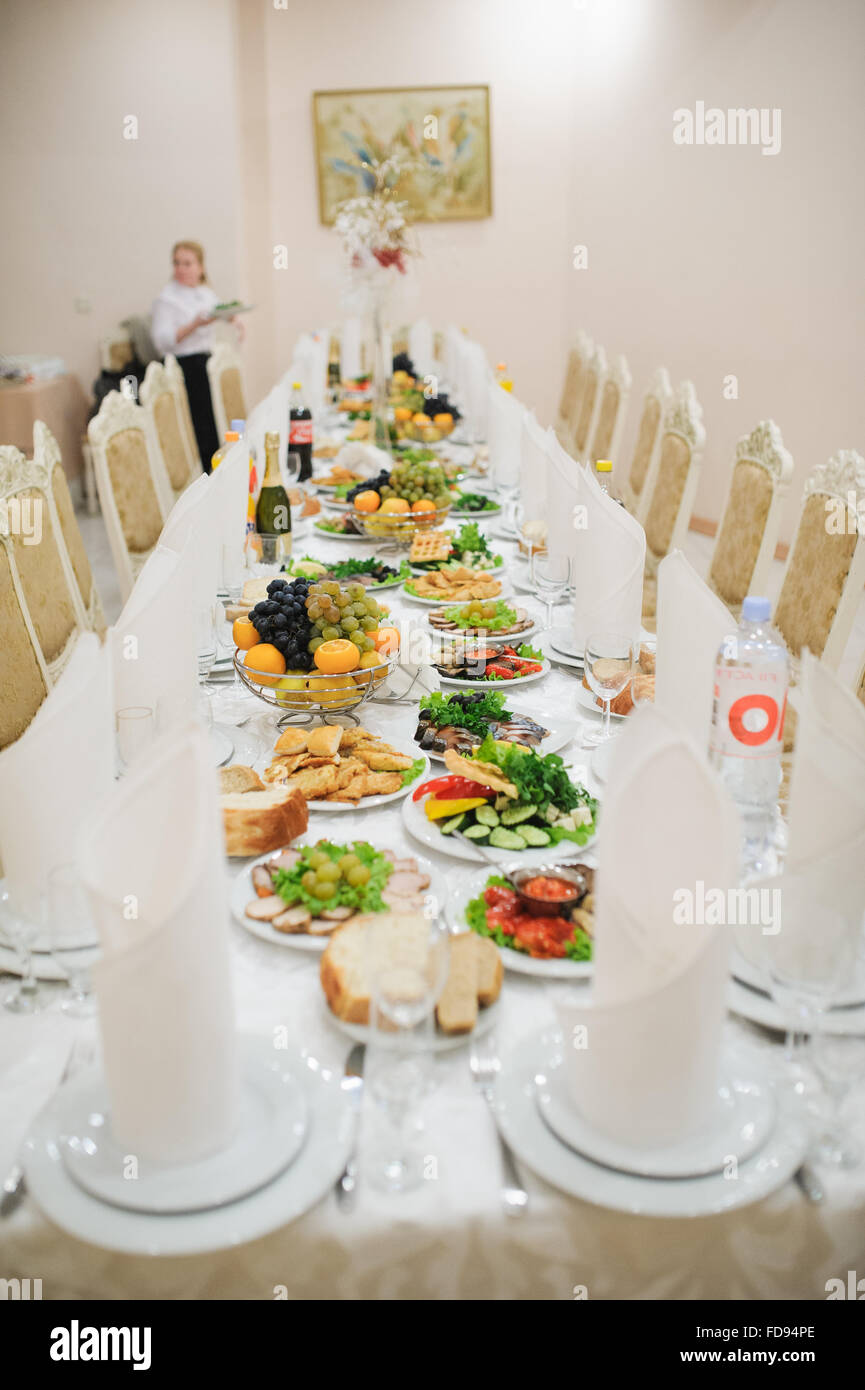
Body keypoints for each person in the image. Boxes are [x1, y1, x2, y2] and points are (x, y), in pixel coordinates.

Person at [150, 241, 244, 471]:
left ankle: (223, 465)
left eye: (187, 263)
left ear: (200, 267)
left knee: (214, 420)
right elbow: (162, 341)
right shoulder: (167, 299)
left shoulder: (204, 293)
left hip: (205, 362)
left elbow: (220, 311)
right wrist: (193, 324)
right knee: (202, 426)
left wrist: (236, 321)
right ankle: (208, 473)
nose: (181, 269)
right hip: (184, 366)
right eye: (177, 263)